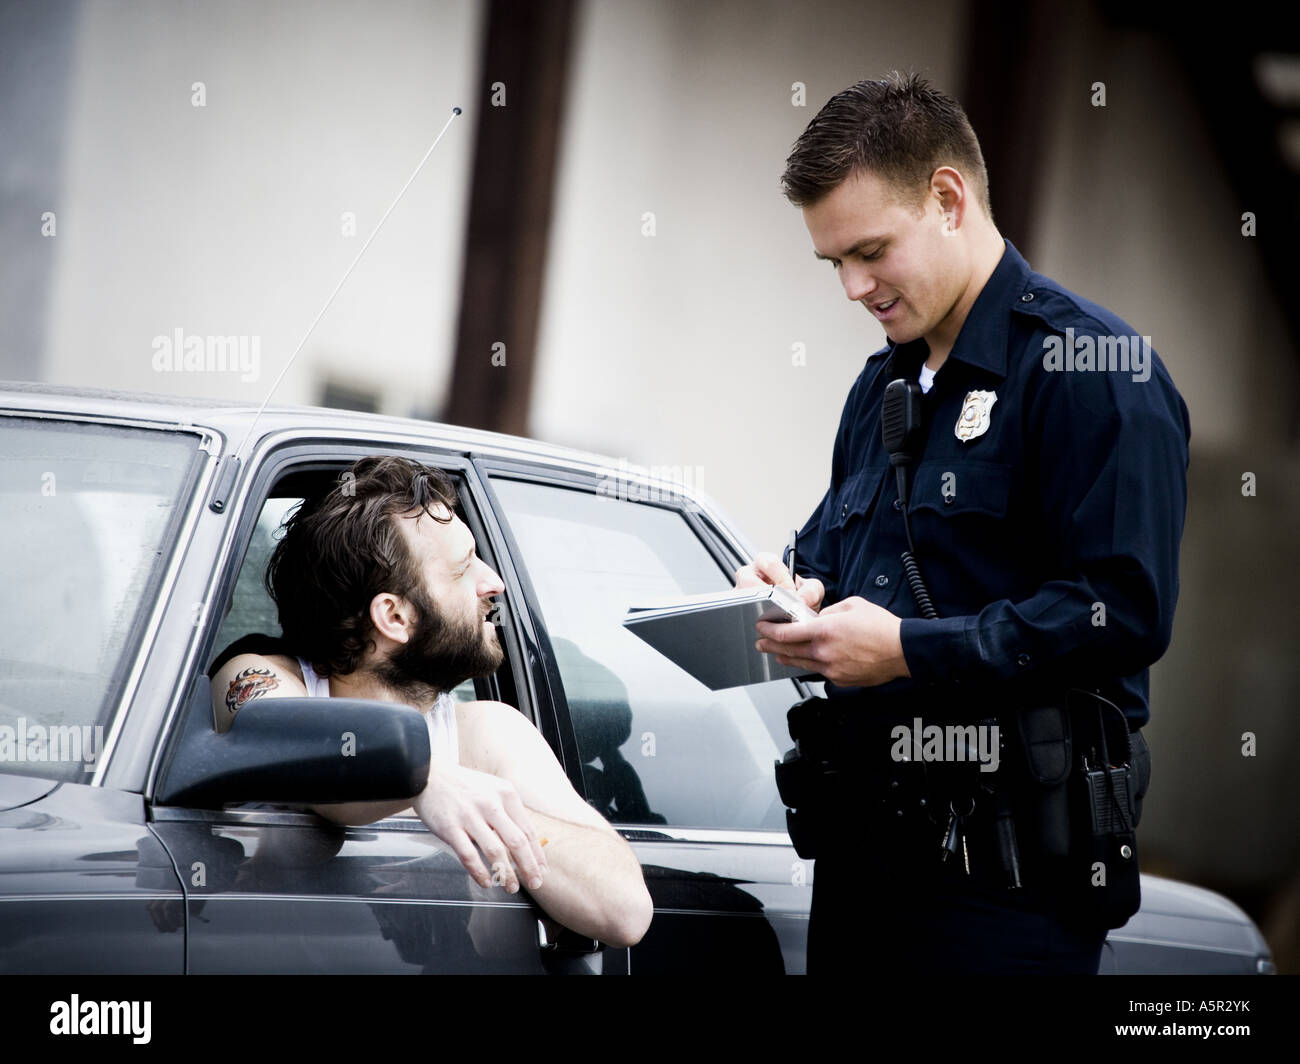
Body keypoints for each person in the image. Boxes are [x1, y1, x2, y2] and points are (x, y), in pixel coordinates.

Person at [735, 72, 1189, 974]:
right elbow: (834, 550)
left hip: (1004, 896)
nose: (853, 287)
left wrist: (911, 649)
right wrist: (793, 588)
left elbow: (1124, 608)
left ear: (948, 198)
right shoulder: (882, 386)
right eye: (834, 263)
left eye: (870, 250)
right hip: (862, 868)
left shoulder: (1093, 371)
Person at [209, 455, 653, 949]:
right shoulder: (259, 675)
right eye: (464, 568)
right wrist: (423, 778)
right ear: (394, 616)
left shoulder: (485, 733)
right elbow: (279, 734)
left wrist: (496, 819)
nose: (493, 583)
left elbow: (626, 911)